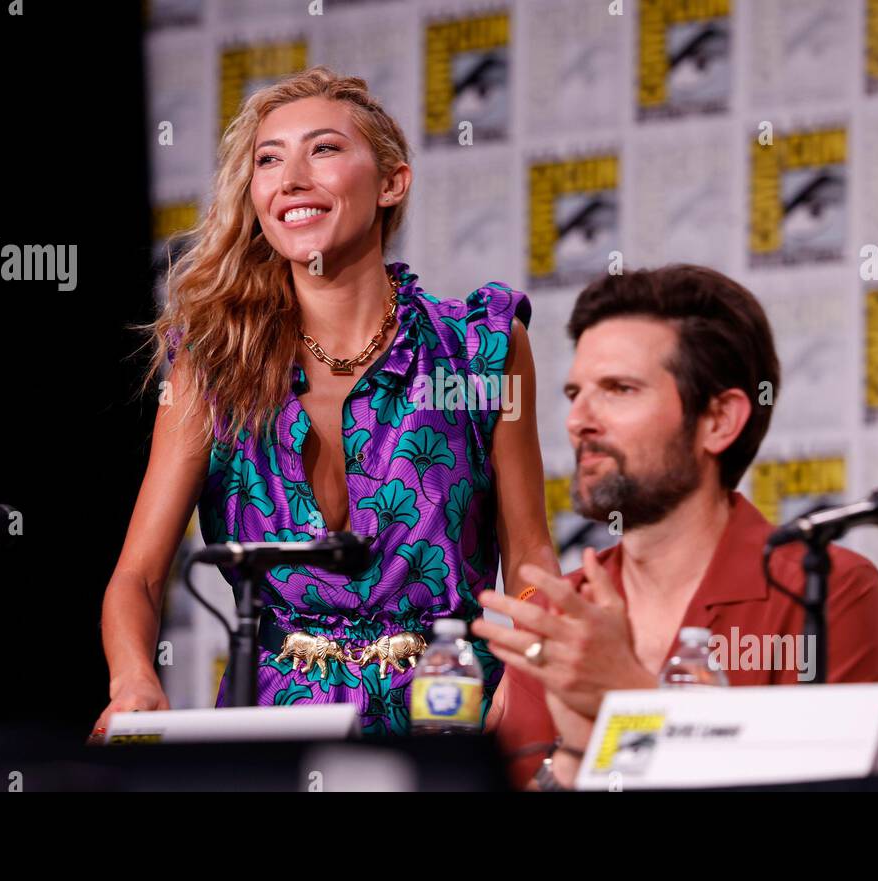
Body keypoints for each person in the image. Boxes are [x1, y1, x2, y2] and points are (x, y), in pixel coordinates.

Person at [92, 66, 558, 739]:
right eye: (269, 160)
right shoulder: (212, 363)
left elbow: (532, 557)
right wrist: (134, 678)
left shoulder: (481, 346)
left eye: (325, 149)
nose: (292, 178)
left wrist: (530, 669)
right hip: (273, 726)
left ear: (393, 181)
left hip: (450, 711)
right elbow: (135, 576)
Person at [472, 264, 878, 789]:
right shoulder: (559, 614)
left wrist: (630, 702)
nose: (578, 420)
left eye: (619, 389)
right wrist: (571, 763)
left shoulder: (828, 590)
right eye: (573, 393)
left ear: (720, 420)